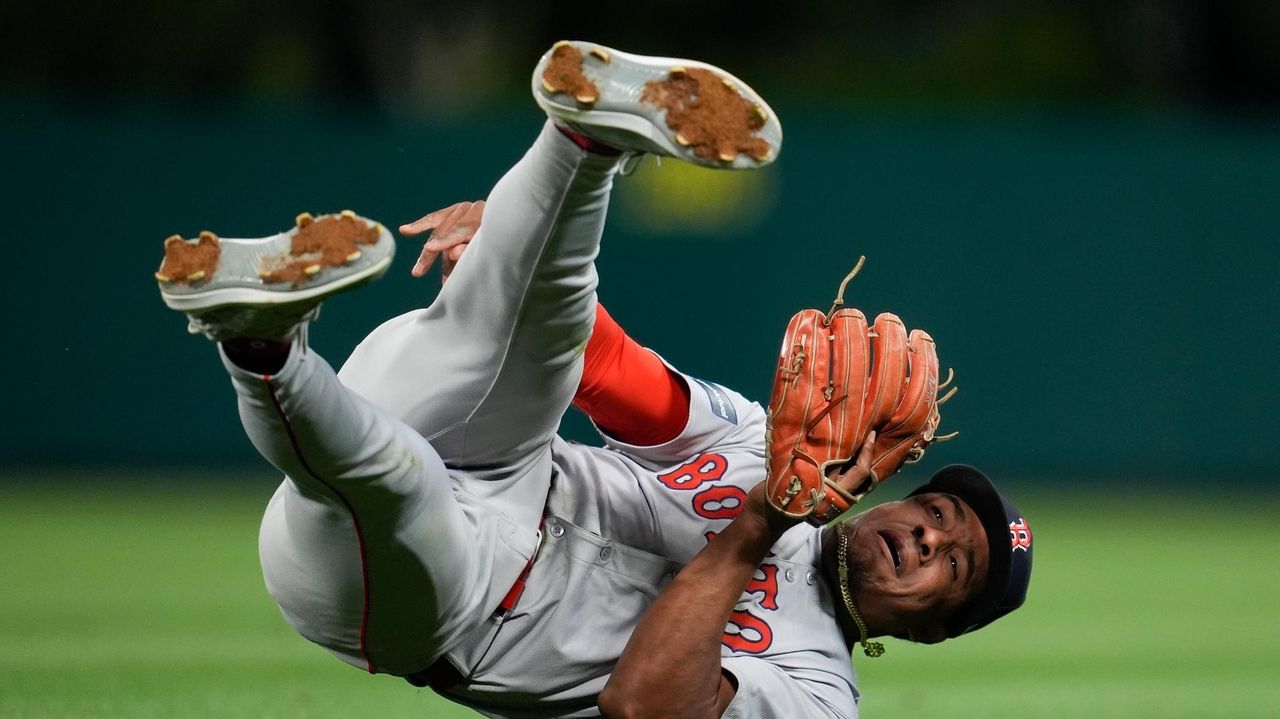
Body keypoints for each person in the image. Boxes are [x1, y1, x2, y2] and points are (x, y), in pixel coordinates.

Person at [156, 41, 1033, 719]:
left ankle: (262, 346)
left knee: (399, 479)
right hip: (500, 458)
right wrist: (514, 253)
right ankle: (584, 141)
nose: (927, 538)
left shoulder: (817, 693)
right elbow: (603, 368)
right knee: (521, 325)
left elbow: (644, 705)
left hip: (438, 606)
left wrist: (763, 519)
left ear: (930, 628)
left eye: (955, 564)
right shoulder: (763, 440)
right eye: (937, 513)